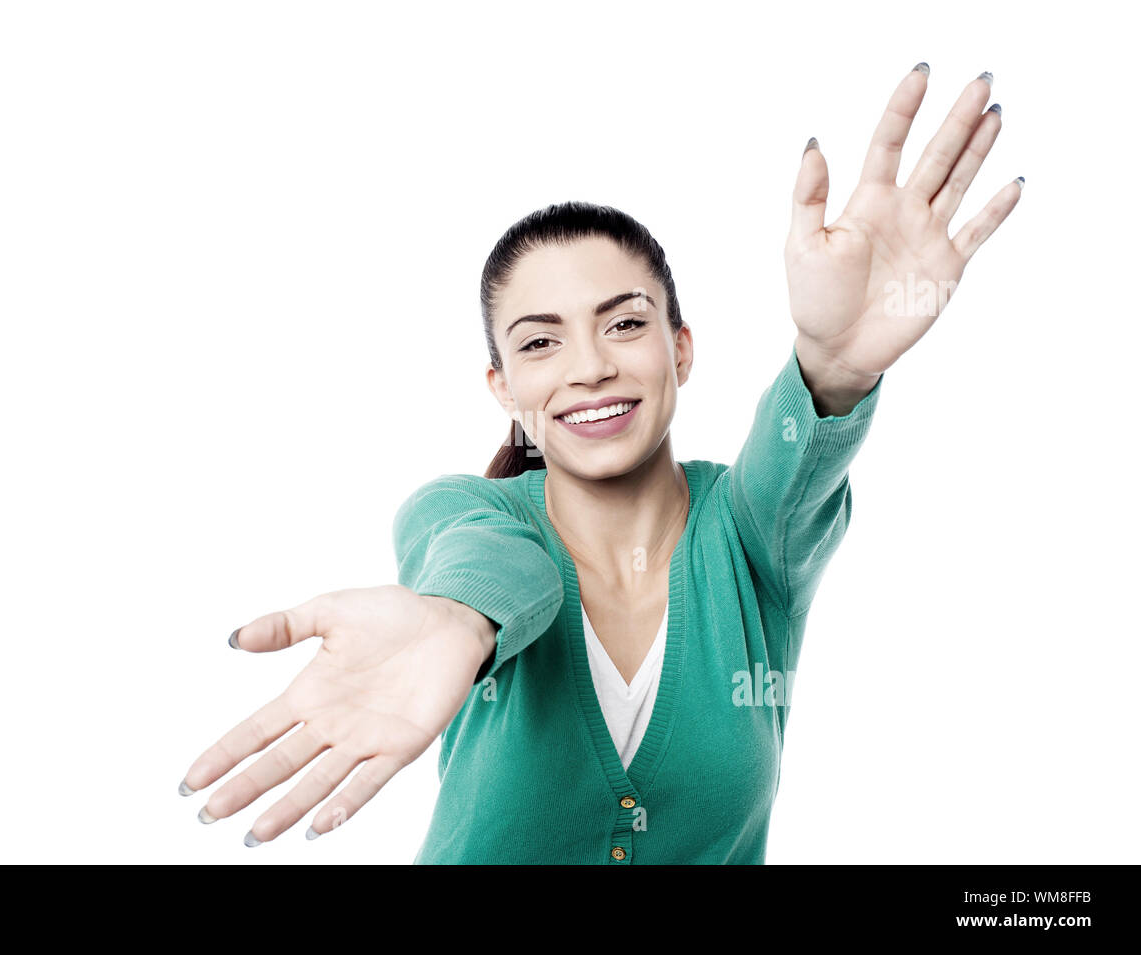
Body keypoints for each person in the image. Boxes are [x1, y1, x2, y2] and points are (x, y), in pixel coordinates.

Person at [179, 63, 1021, 862]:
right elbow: (485, 559)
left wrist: (833, 362)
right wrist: (460, 619)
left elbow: (797, 464)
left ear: (681, 349)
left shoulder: (751, 534)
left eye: (623, 323)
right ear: (503, 387)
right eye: (540, 342)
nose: (589, 367)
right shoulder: (462, 515)